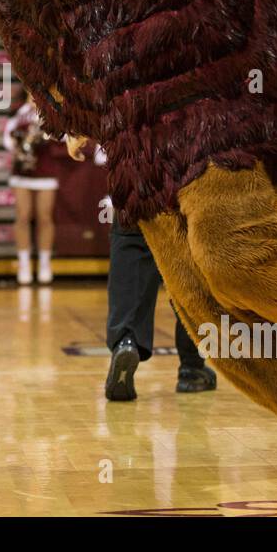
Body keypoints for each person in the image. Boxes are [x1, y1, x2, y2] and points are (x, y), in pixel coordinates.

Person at [89, 144, 217, 400]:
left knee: (131, 252)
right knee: (189, 268)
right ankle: (191, 368)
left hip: (134, 169)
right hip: (187, 167)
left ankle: (126, 342)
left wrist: (76, 132)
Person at [4, 93, 66, 292]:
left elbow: (63, 136)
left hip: (46, 169)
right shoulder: (17, 111)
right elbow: (7, 138)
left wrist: (45, 134)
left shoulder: (53, 110)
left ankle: (45, 263)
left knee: (45, 217)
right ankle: (23, 263)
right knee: (22, 216)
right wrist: (19, 145)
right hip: (22, 169)